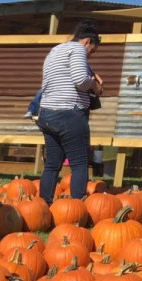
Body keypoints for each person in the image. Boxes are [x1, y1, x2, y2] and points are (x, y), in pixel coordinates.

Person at [36, 21, 103, 204]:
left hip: (47, 113)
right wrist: (96, 87)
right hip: (69, 114)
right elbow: (80, 80)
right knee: (79, 163)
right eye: (93, 51)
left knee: (52, 164)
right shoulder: (78, 50)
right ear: (87, 41)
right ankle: (76, 209)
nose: (90, 55)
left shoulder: (56, 50)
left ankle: (44, 205)